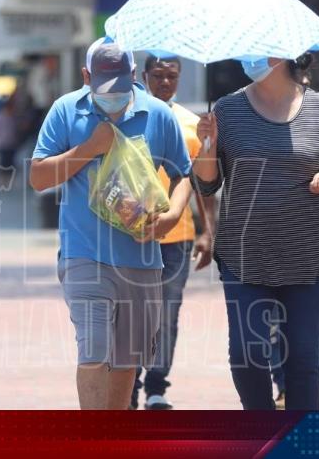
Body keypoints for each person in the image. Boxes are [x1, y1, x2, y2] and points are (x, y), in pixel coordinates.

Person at [29, 38, 193, 410]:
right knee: (94, 349)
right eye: (103, 87)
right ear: (86, 76)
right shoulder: (65, 111)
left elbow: (183, 174)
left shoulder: (158, 115)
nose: (113, 96)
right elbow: (38, 177)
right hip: (84, 254)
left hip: (141, 259)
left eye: (121, 86)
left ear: (134, 76)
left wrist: (171, 216)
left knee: (126, 360)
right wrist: (88, 149)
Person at [191, 53, 319, 410]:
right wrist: (207, 143)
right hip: (245, 256)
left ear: (282, 55)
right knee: (248, 352)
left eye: (258, 48)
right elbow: (207, 186)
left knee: (302, 356)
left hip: (308, 255)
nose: (248, 57)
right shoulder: (227, 110)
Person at [130, 56, 217, 410]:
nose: (165, 81)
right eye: (158, 75)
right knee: (131, 314)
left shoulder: (191, 124)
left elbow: (204, 185)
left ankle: (156, 387)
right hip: (131, 235)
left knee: (166, 314)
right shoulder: (130, 118)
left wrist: (207, 232)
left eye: (172, 76)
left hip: (176, 239)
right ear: (145, 76)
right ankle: (128, 388)